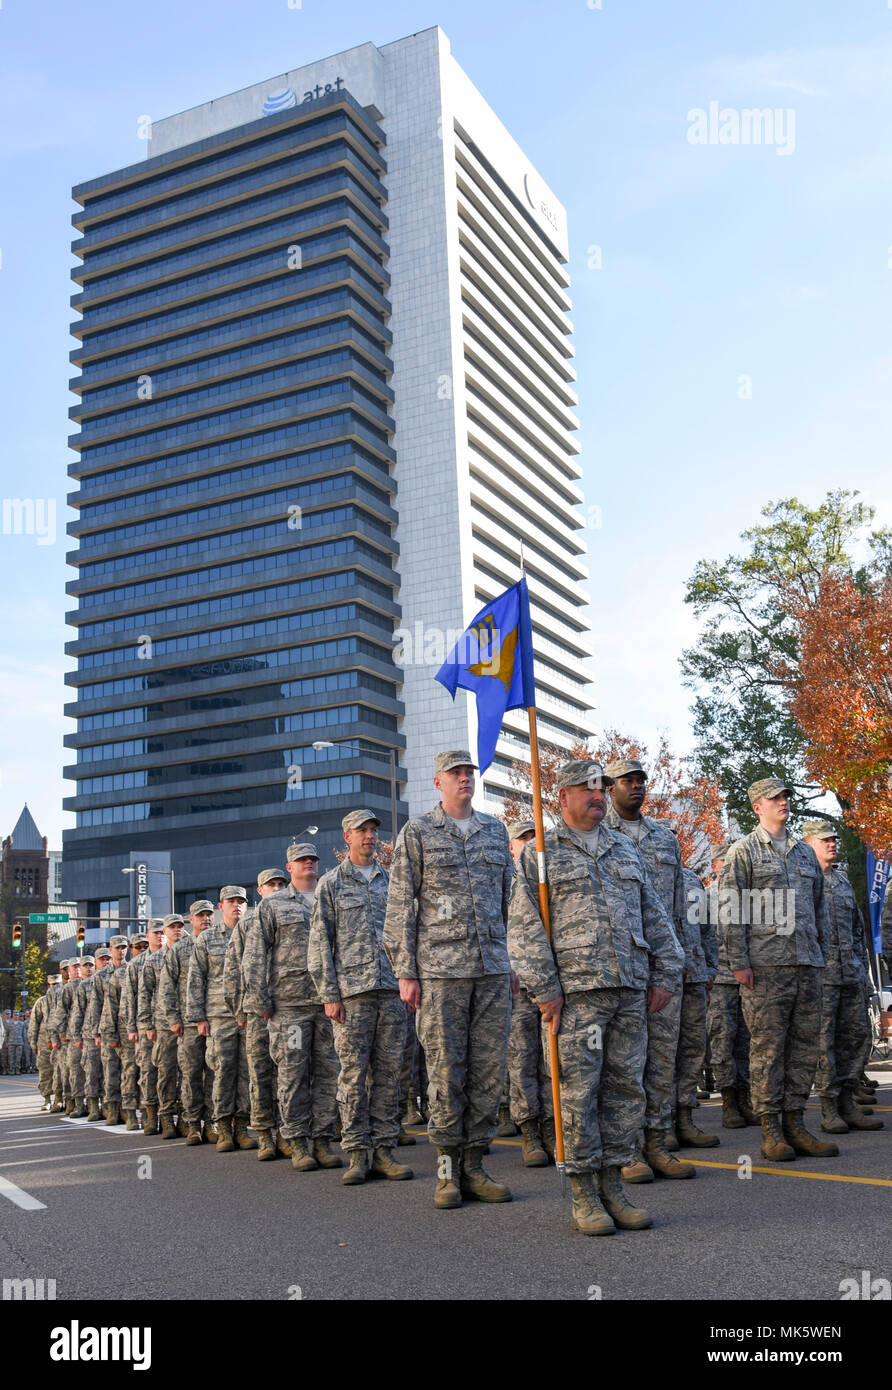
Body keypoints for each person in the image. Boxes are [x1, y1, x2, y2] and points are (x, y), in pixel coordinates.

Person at [509, 760, 684, 1235]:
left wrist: (666, 973)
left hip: (629, 989)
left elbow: (657, 919)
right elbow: (524, 929)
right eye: (587, 789)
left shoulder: (624, 849)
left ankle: (614, 1184)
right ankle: (584, 1193)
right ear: (561, 797)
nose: (598, 795)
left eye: (602, 788)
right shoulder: (541, 853)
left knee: (626, 1090)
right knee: (578, 1094)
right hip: (576, 994)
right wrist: (545, 990)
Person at [384, 751, 514, 1210]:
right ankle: (446, 1173)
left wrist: (514, 961)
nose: (465, 779)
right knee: (444, 1071)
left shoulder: (494, 830)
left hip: (493, 969)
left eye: (469, 773)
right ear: (437, 780)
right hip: (440, 972)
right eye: (456, 773)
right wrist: (405, 971)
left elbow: (512, 903)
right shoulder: (417, 832)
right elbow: (400, 904)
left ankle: (475, 1166)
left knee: (488, 1071)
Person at [719, 776, 836, 1161]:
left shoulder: (804, 855)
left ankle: (797, 1124)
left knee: (804, 1048)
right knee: (768, 1049)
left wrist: (820, 956)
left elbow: (819, 909)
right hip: (765, 967)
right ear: (757, 806)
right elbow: (730, 911)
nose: (782, 802)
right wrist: (739, 963)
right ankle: (771, 1130)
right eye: (774, 798)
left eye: (785, 796)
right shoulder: (744, 852)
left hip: (807, 963)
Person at [310, 809, 411, 1186]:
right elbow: (320, 941)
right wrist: (329, 994)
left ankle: (385, 1150)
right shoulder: (332, 884)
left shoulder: (393, 881)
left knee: (389, 1073)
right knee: (352, 1074)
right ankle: (356, 1152)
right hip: (352, 994)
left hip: (391, 990)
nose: (369, 836)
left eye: (373, 831)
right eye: (361, 831)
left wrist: (408, 978)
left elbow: (405, 933)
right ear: (346, 836)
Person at [604, 759, 692, 1181]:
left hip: (660, 967)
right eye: (627, 781)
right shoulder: (599, 837)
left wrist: (676, 966)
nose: (636, 787)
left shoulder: (665, 838)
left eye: (641, 781)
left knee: (660, 1060)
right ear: (610, 788)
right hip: (619, 968)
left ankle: (657, 1141)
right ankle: (626, 1150)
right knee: (622, 1065)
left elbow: (676, 911)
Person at [243, 844, 341, 1172]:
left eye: (312, 859)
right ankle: (298, 1141)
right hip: (290, 1007)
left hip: (328, 1003)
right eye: (302, 860)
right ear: (290, 867)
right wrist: (260, 1000)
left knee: (329, 1073)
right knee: (293, 1074)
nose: (309, 864)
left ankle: (324, 1140)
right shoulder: (273, 905)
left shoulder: (330, 897)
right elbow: (255, 954)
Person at [801, 821, 883, 1134]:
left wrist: (863, 974)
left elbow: (858, 931)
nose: (832, 844)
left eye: (834, 839)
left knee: (856, 1039)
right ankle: (829, 1107)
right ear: (809, 844)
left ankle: (849, 1102)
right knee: (825, 1045)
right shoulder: (802, 882)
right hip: (821, 980)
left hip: (851, 976)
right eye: (825, 840)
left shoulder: (843, 881)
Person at [223, 869, 288, 1161]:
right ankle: (264, 1134)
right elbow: (234, 970)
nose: (276, 889)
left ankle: (288, 1133)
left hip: (288, 1008)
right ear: (259, 891)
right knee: (260, 1073)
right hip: (257, 1013)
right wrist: (240, 1011)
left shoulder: (294, 913)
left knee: (289, 1075)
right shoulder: (247, 922)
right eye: (270, 885)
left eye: (280, 884)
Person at [187, 887, 256, 1154]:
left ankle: (241, 1126)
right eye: (231, 901)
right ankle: (223, 1127)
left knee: (247, 1073)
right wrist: (199, 1017)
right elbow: (196, 979)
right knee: (223, 1071)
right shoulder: (207, 939)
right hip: (219, 1015)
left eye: (241, 901)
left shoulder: (254, 933)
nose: (236, 906)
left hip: (249, 1013)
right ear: (221, 906)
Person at [504, 818, 554, 1167]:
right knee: (523, 1059)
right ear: (512, 846)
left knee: (553, 1059)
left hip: (553, 983)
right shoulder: (503, 882)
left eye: (535, 838)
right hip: (518, 985)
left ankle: (554, 1126)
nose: (529, 843)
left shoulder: (547, 881)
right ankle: (530, 1130)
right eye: (523, 839)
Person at [705, 842, 757, 1128]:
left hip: (748, 978)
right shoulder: (706, 897)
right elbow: (702, 938)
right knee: (723, 1040)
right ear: (715, 865)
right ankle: (728, 1102)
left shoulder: (748, 896)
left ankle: (745, 1097)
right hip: (722, 979)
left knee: (747, 1041)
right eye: (725, 862)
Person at [160, 901, 216, 1145]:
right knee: (191, 1073)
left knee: (215, 1073)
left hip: (216, 1019)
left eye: (208, 915)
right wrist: (173, 1018)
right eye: (200, 916)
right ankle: (193, 1124)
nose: (205, 919)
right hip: (189, 1022)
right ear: (190, 920)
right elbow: (167, 986)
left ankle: (213, 1123)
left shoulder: (219, 941)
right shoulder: (179, 949)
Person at [674, 864, 719, 1147]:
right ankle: (660, 1123)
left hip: (694, 976)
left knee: (692, 1049)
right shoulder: (638, 868)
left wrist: (711, 966)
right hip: (660, 977)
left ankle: (685, 1118)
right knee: (661, 1054)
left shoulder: (691, 880)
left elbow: (706, 929)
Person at [139, 914, 186, 1140]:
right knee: (165, 1071)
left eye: (179, 927)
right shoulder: (155, 960)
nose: (176, 930)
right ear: (164, 932)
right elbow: (144, 993)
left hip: (188, 1020)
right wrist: (147, 1023)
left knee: (189, 1071)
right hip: (163, 1025)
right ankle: (164, 1116)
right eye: (171, 927)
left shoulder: (190, 951)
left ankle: (187, 1118)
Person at [100, 934, 148, 1130]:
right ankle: (128, 1112)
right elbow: (110, 1007)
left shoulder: (152, 967)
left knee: (147, 1073)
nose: (141, 950)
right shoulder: (119, 975)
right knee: (129, 1072)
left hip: (147, 1029)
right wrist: (110, 1034)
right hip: (124, 1031)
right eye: (138, 947)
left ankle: (147, 1111)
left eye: (145, 946)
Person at [86, 936, 129, 1124]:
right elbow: (95, 1006)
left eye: (124, 947)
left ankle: (126, 1108)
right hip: (108, 1029)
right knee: (110, 1071)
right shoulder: (100, 976)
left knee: (128, 1071)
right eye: (117, 948)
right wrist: (95, 1032)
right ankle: (112, 1108)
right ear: (111, 949)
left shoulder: (131, 970)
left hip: (127, 1027)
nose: (121, 951)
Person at [71, 950, 107, 1120]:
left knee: (110, 1073)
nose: (105, 962)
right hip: (90, 1036)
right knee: (91, 1072)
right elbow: (77, 1013)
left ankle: (109, 1106)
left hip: (110, 1033)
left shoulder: (113, 979)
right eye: (102, 960)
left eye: (90, 965)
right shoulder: (84, 986)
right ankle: (93, 1107)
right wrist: (77, 1036)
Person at [28, 979, 59, 1110]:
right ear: (48, 986)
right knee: (45, 1071)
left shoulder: (63, 998)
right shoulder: (41, 1002)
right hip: (44, 1043)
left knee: (60, 1072)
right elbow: (34, 1023)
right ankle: (47, 1099)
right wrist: (33, 1043)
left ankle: (59, 1099)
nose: (55, 987)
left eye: (57, 984)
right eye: (53, 985)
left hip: (59, 1042)